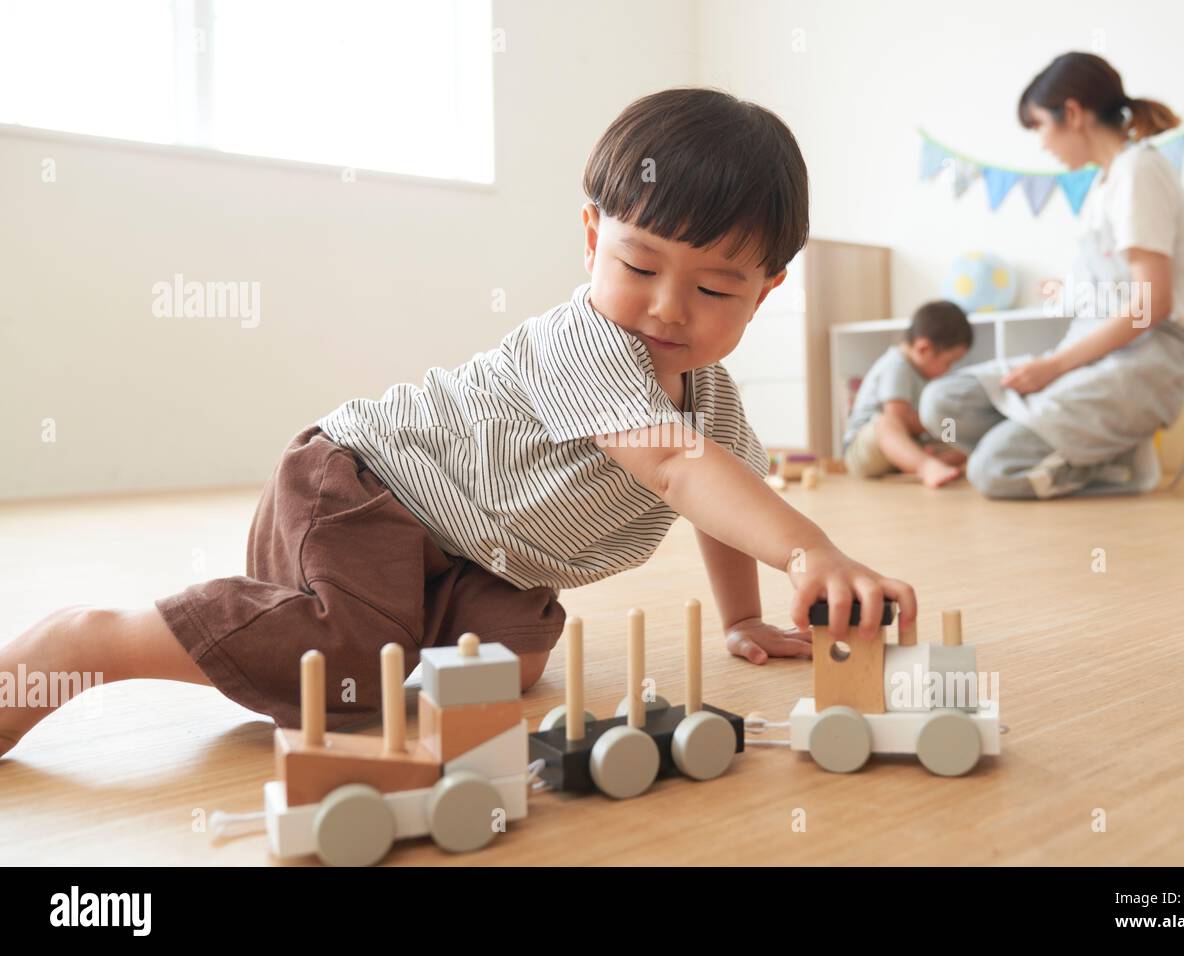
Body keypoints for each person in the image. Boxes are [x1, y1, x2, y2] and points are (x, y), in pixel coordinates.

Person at [1, 88, 917, 757]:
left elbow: (721, 495)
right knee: (350, 663)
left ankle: (398, 628)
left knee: (511, 664)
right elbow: (677, 472)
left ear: (766, 292)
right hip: (366, 491)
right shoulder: (584, 343)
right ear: (593, 239)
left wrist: (743, 619)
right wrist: (811, 552)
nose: (667, 309)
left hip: (478, 555)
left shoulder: (708, 399)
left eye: (715, 287)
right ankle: (89, 642)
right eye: (639, 265)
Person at [919, 52, 1184, 499]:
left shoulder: (1139, 173)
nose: (1042, 145)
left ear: (1071, 114)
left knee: (991, 471)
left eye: (1040, 128)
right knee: (941, 403)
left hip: (1147, 362)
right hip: (1088, 355)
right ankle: (1065, 445)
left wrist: (1052, 367)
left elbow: (1151, 306)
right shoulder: (1101, 186)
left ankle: (1114, 463)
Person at [843, 300, 972, 487]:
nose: (948, 370)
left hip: (903, 445)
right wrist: (937, 421)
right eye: (948, 363)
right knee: (886, 421)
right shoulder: (896, 366)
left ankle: (925, 462)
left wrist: (951, 432)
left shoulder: (925, 372)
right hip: (864, 450)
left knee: (962, 442)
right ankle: (926, 466)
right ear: (923, 349)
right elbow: (898, 416)